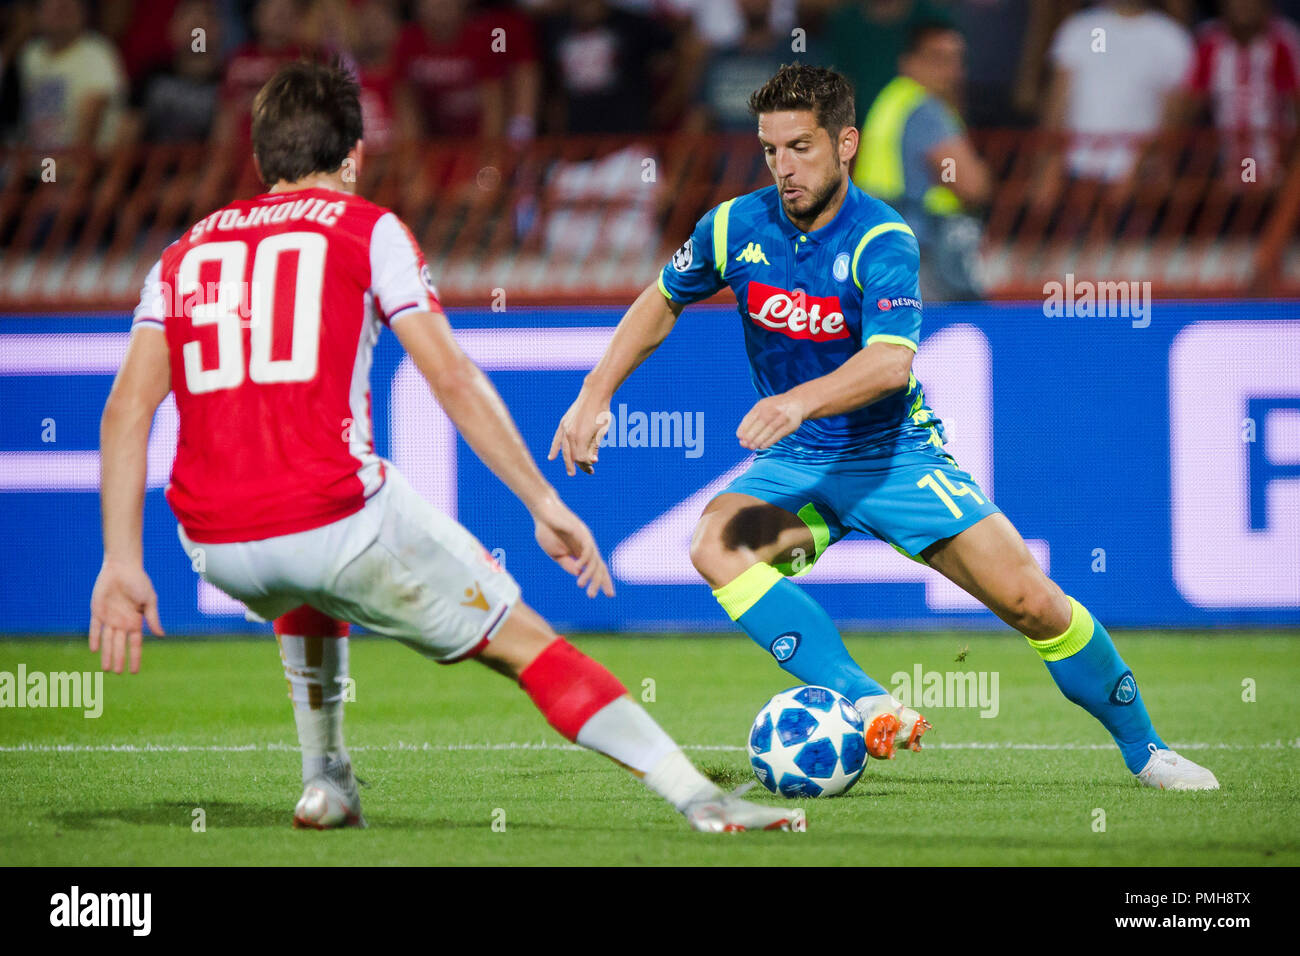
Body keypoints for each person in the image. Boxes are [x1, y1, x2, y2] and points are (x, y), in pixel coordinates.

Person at [89, 59, 794, 834]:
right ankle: (703, 799)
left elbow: (127, 409)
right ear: (355, 157)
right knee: (529, 646)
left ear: (259, 160)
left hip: (215, 546)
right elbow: (451, 376)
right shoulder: (367, 229)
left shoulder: (182, 254)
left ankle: (325, 781)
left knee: (306, 591)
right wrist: (542, 499)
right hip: (335, 520)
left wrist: (122, 562)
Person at [550, 63, 1219, 791]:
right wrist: (595, 392)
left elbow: (890, 365)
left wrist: (801, 399)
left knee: (1035, 602)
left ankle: (1148, 751)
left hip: (894, 457)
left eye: (800, 147)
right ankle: (866, 700)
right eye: (771, 150)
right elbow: (662, 299)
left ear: (846, 144)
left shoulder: (882, 239)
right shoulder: (733, 226)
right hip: (802, 460)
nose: (783, 168)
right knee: (717, 545)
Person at [852, 21, 989, 300]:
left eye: (957, 60)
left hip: (880, 248)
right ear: (909, 62)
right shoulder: (927, 110)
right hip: (921, 255)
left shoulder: (892, 100)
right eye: (938, 58)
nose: (952, 71)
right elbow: (972, 186)